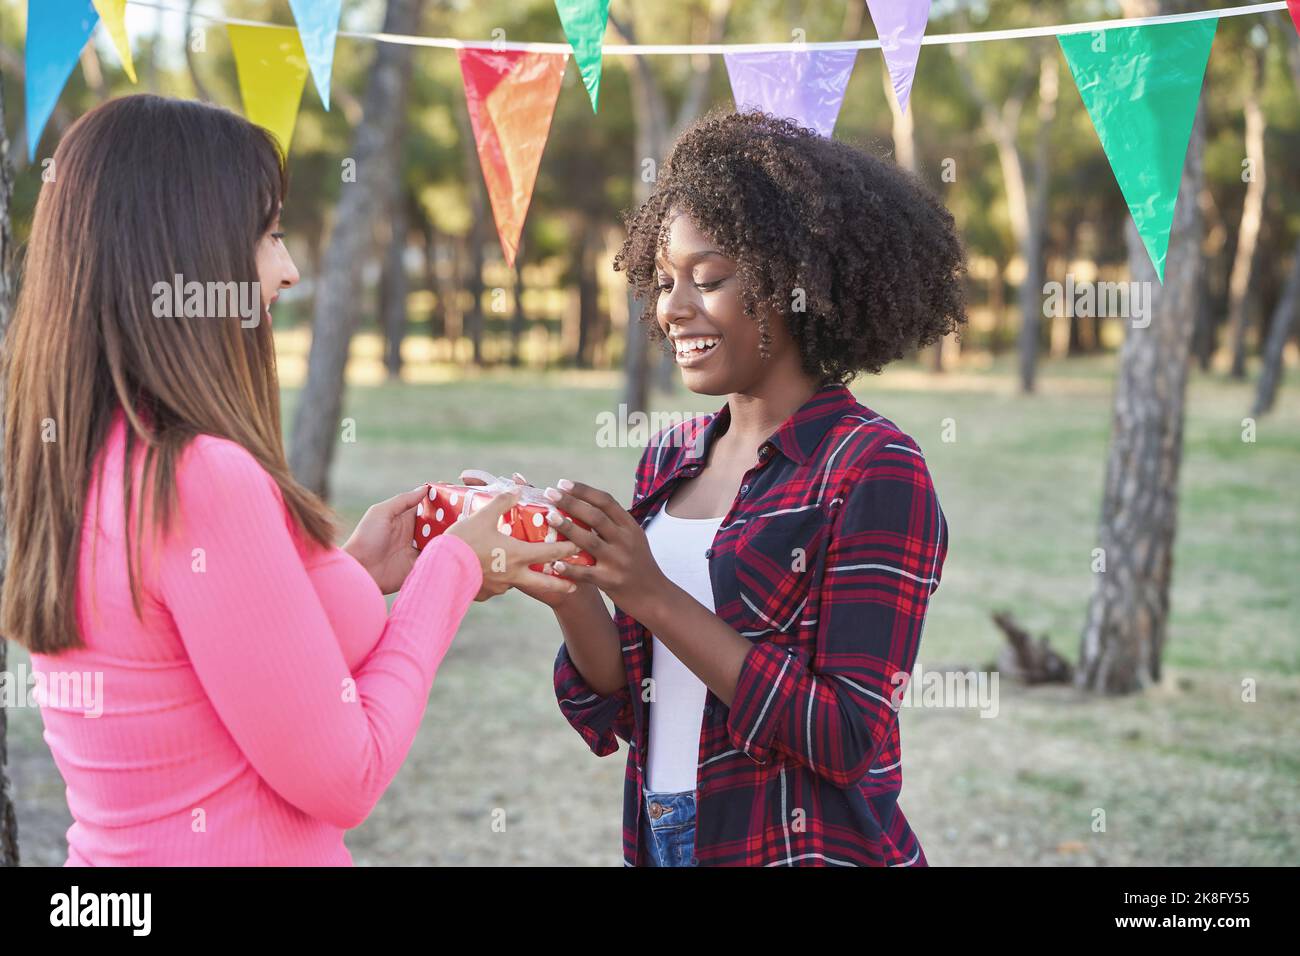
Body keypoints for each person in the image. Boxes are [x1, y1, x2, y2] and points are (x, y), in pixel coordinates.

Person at [0, 94, 579, 866]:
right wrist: (454, 567)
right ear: (190, 252)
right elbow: (348, 776)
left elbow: (216, 662)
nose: (291, 269)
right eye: (270, 235)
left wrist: (358, 571)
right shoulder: (200, 476)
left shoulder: (86, 455)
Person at [521, 109, 965, 866]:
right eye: (663, 280)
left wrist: (654, 593)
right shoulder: (670, 461)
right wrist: (576, 587)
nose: (673, 308)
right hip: (664, 833)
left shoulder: (872, 467)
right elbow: (632, 697)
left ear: (797, 283)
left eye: (710, 278)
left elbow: (846, 734)